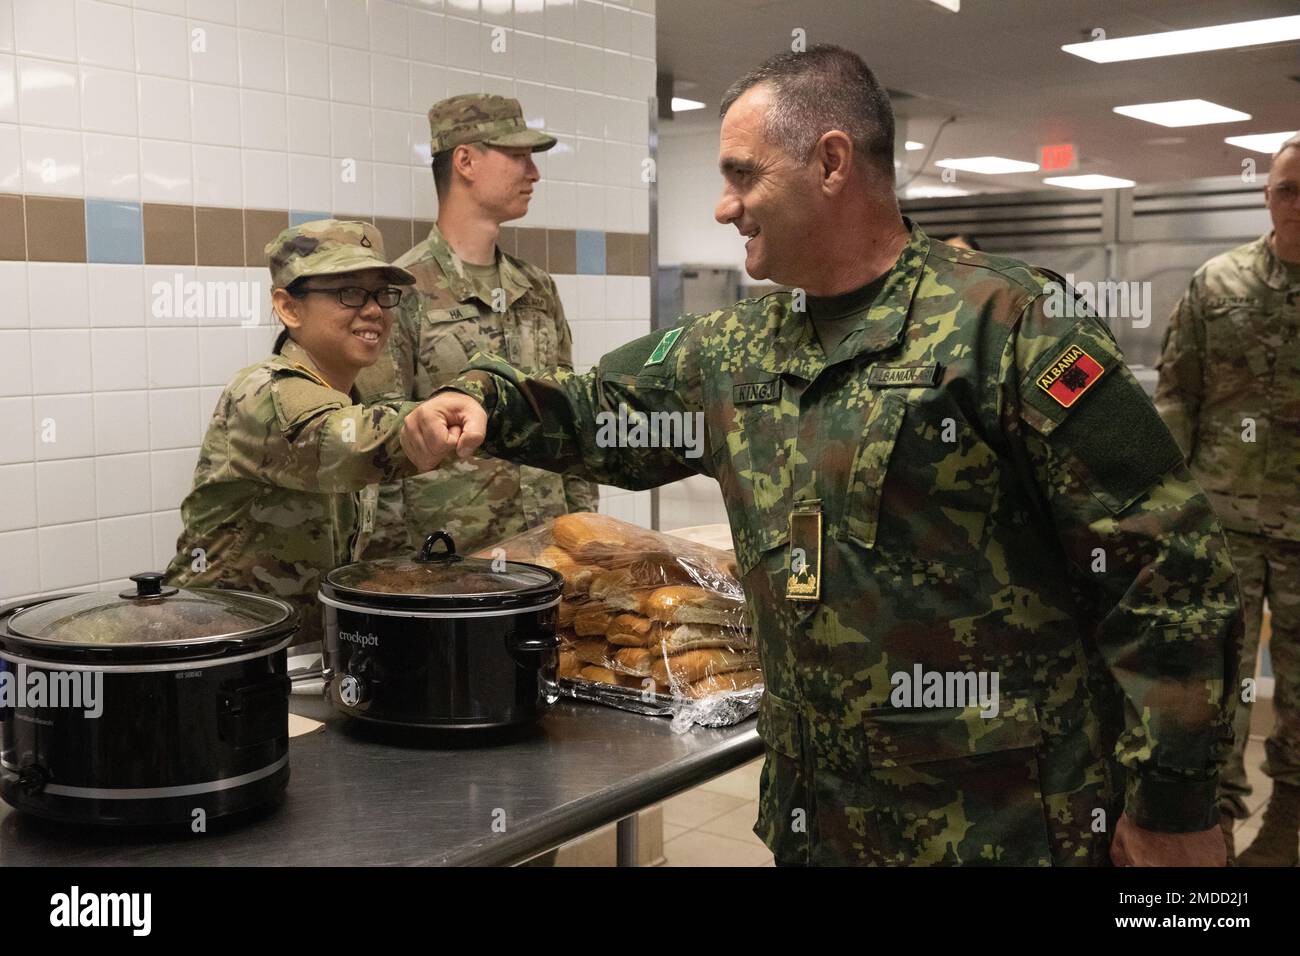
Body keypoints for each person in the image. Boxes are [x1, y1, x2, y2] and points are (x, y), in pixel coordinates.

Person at [400, 46, 1242, 867]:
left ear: (832, 162)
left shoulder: (1010, 328)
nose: (725, 207)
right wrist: (489, 399)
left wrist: (1172, 804)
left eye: (741, 174)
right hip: (822, 819)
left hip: (1003, 823)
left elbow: (1167, 570)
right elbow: (598, 411)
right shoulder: (734, 350)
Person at [165, 220, 431, 650]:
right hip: (214, 650)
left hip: (293, 654)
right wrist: (459, 409)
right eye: (348, 292)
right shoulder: (263, 392)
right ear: (289, 308)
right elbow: (350, 444)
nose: (374, 311)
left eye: (382, 294)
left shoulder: (352, 398)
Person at [356, 93, 598, 558]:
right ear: (465, 160)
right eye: (518, 156)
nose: (534, 173)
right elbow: (382, 439)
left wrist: (581, 530)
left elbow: (570, 415)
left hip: (547, 546)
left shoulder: (536, 287)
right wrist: (388, 577)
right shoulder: (401, 291)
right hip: (449, 556)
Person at [1155, 132, 1300, 866]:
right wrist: (1169, 508)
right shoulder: (1219, 283)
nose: (1297, 203)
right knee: (1216, 682)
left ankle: (1288, 825)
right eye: (1287, 189)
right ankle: (1208, 821)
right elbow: (1178, 394)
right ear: (1267, 194)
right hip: (1224, 525)